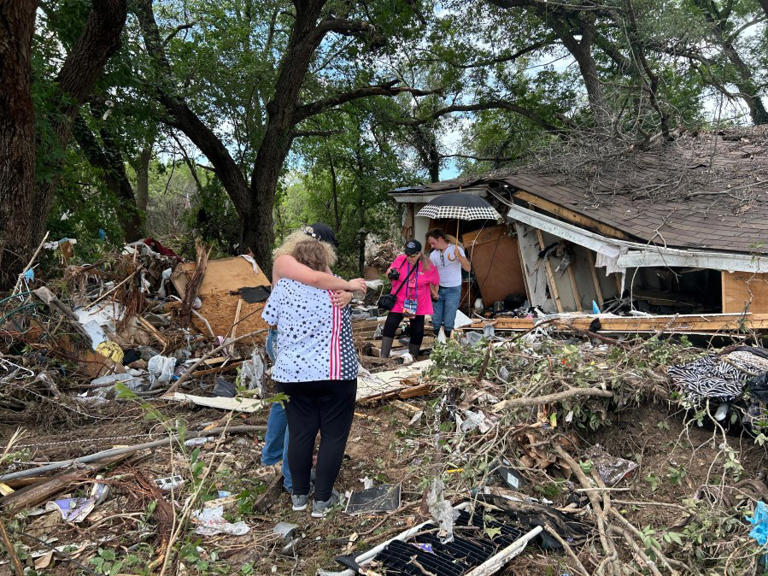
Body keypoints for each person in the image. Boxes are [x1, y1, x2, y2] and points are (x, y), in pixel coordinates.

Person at [262, 226, 362, 518]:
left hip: (293, 373)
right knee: (333, 436)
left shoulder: (283, 288)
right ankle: (322, 501)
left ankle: (298, 496)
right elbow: (333, 291)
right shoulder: (337, 294)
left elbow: (271, 319)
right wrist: (349, 289)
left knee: (300, 433)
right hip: (336, 371)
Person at [380, 239, 439, 359]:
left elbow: (435, 282)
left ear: (419, 253)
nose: (409, 258)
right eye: (407, 254)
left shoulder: (427, 265)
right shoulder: (400, 260)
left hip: (417, 302)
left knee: (417, 331)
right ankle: (383, 357)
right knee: (390, 325)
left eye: (412, 255)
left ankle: (412, 357)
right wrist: (391, 274)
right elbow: (388, 273)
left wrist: (434, 293)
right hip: (399, 300)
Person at [426, 229, 471, 339]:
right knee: (436, 320)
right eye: (430, 244)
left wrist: (459, 256)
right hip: (439, 288)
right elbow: (431, 276)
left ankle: (447, 342)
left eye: (433, 243)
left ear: (440, 239)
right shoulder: (433, 255)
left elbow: (468, 268)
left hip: (453, 289)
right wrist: (433, 291)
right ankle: (437, 342)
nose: (432, 246)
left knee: (449, 320)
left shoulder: (456, 249)